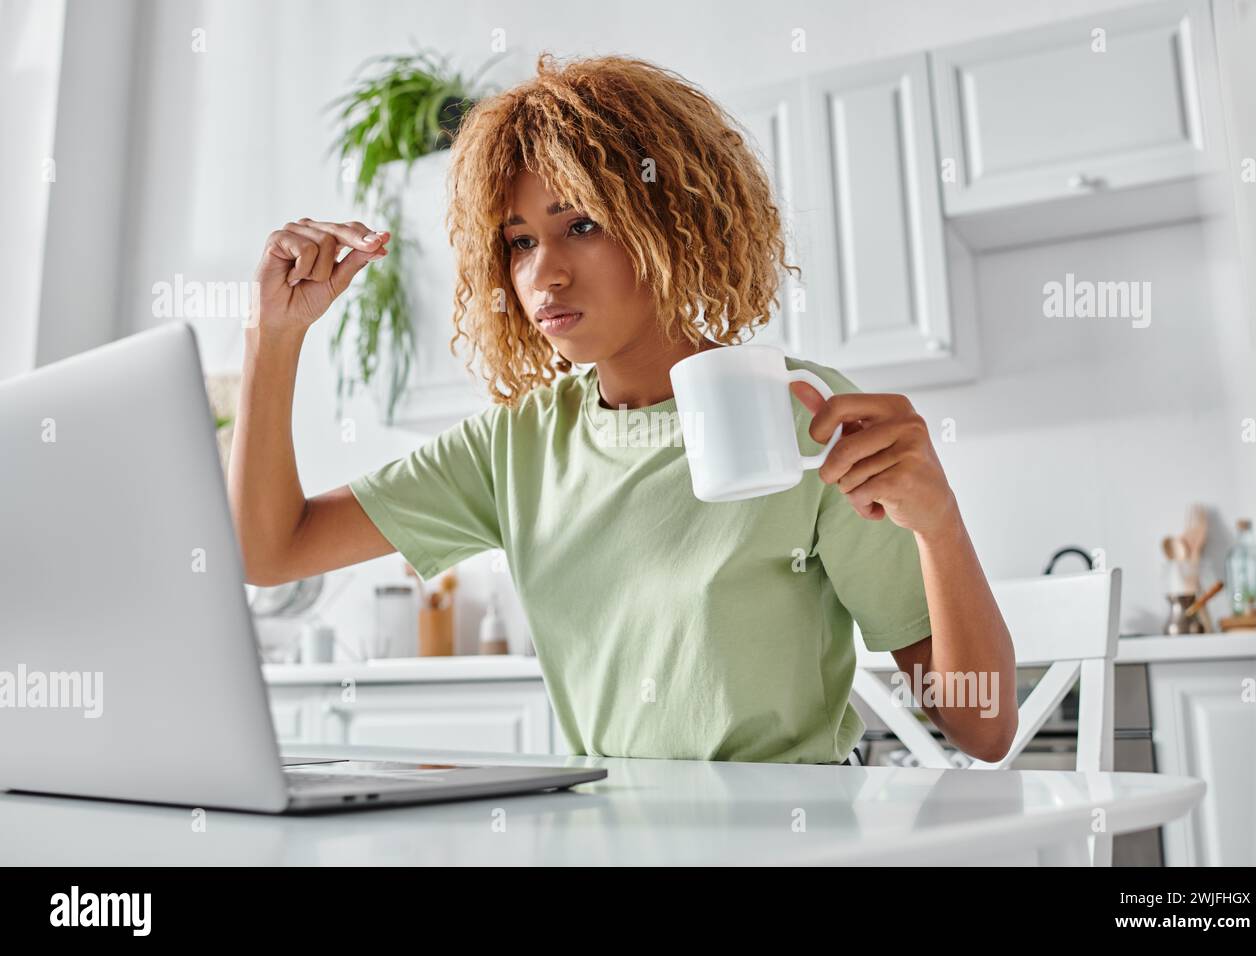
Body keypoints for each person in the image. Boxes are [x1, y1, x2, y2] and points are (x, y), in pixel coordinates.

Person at [228, 53, 1017, 765]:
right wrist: (275, 336)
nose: (544, 275)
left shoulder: (807, 413)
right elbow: (271, 551)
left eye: (581, 225)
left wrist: (938, 522)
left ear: (675, 223)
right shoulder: (518, 444)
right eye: (519, 242)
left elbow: (982, 730)